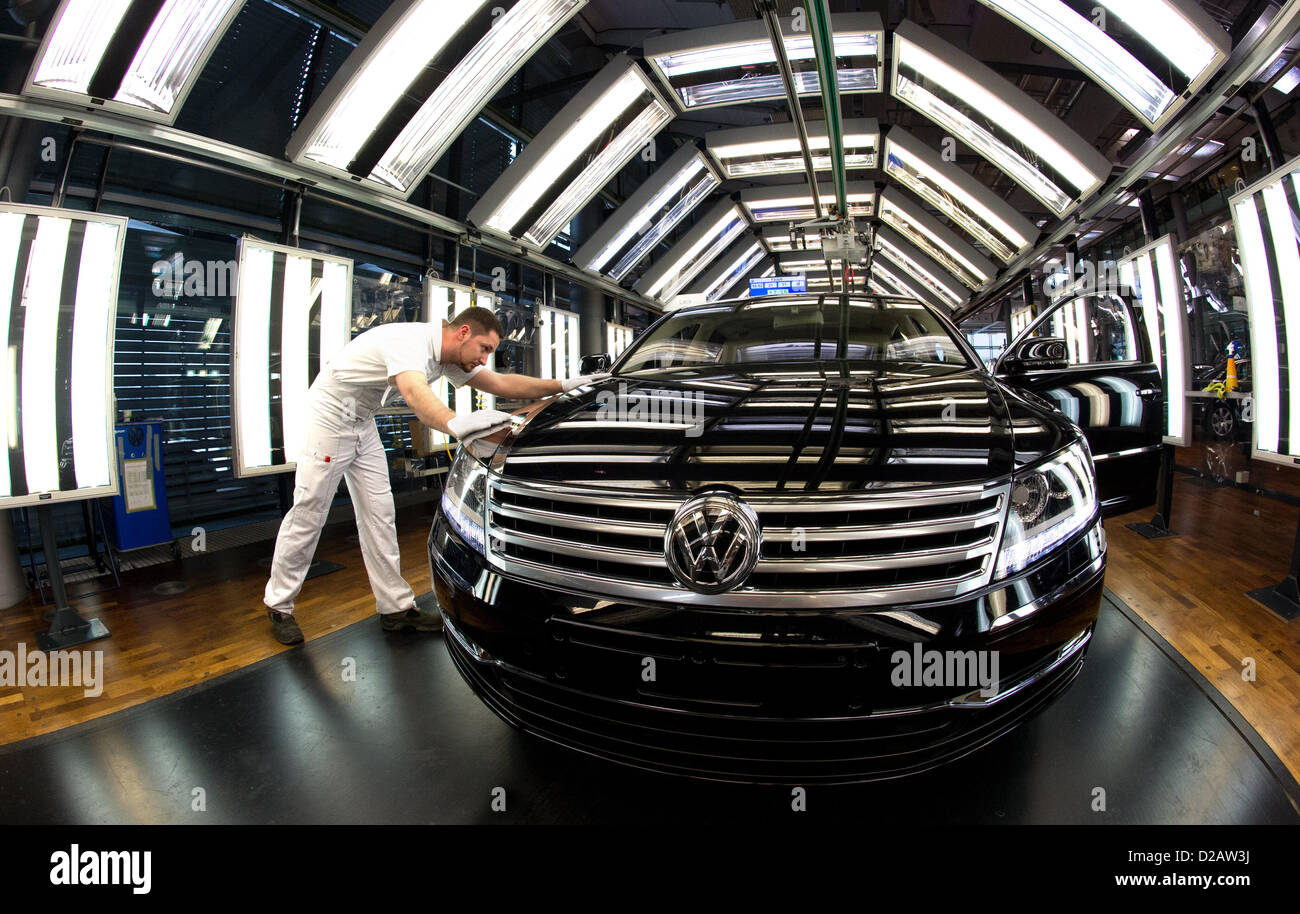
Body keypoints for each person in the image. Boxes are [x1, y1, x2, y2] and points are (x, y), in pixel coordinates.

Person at [263, 306, 603, 645]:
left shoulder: (447, 356)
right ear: (463, 333)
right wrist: (454, 422)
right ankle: (279, 604)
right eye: (484, 349)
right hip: (328, 418)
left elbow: (500, 382)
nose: (485, 359)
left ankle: (395, 609)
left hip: (361, 423)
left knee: (379, 514)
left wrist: (565, 385)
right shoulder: (410, 342)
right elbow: (415, 394)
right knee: (309, 512)